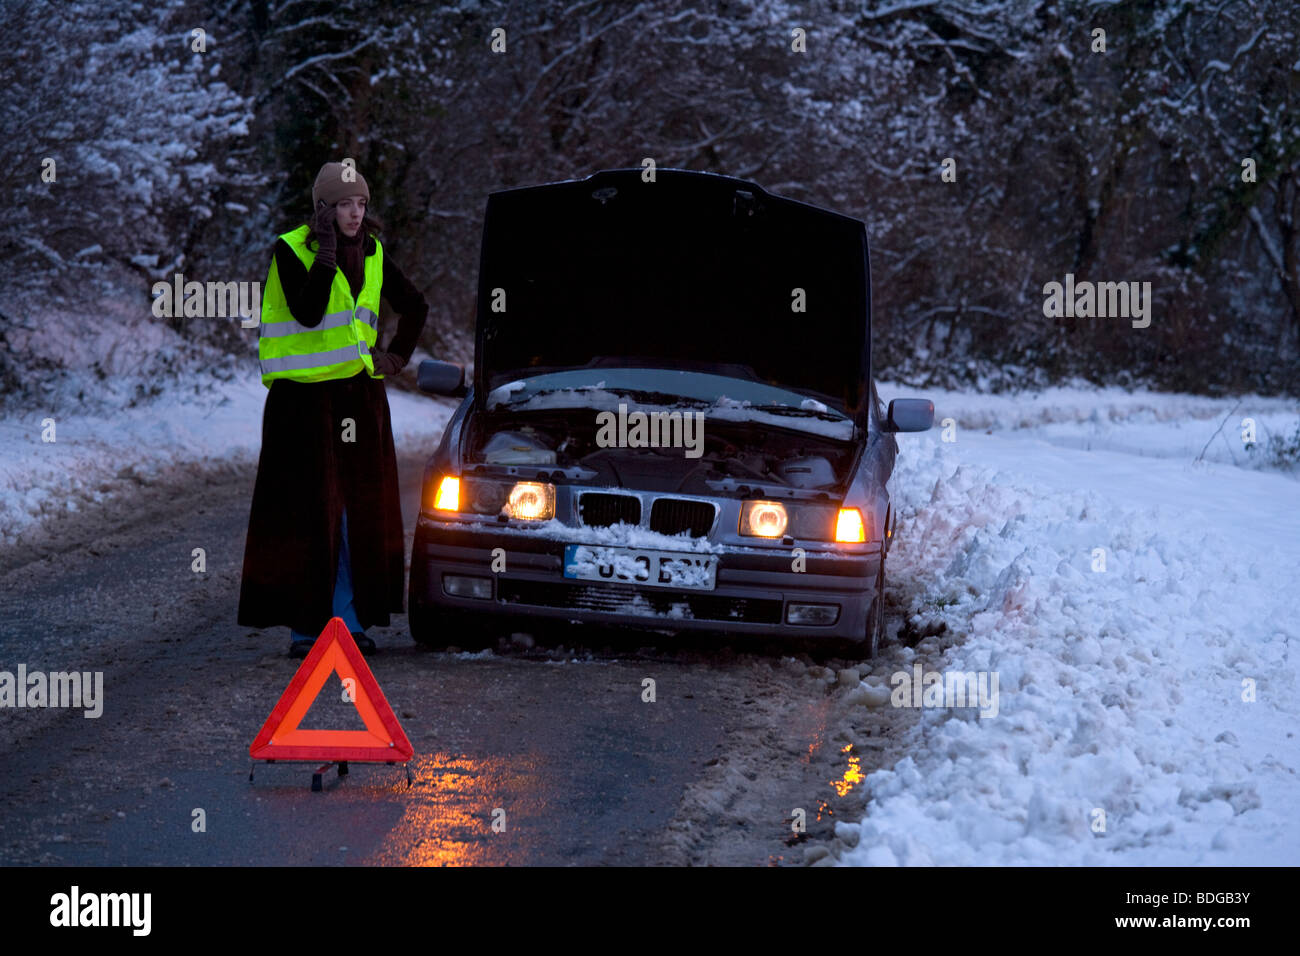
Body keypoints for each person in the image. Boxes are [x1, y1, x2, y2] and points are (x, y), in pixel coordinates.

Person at [238, 161, 428, 658]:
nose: (355, 213)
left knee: (357, 511)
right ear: (324, 207)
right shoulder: (290, 249)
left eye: (361, 203)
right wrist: (324, 250)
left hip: (358, 398)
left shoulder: (373, 251)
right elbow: (308, 309)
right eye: (345, 204)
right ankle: (306, 628)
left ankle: (349, 619)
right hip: (299, 402)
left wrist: (395, 358)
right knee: (307, 512)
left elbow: (416, 306)